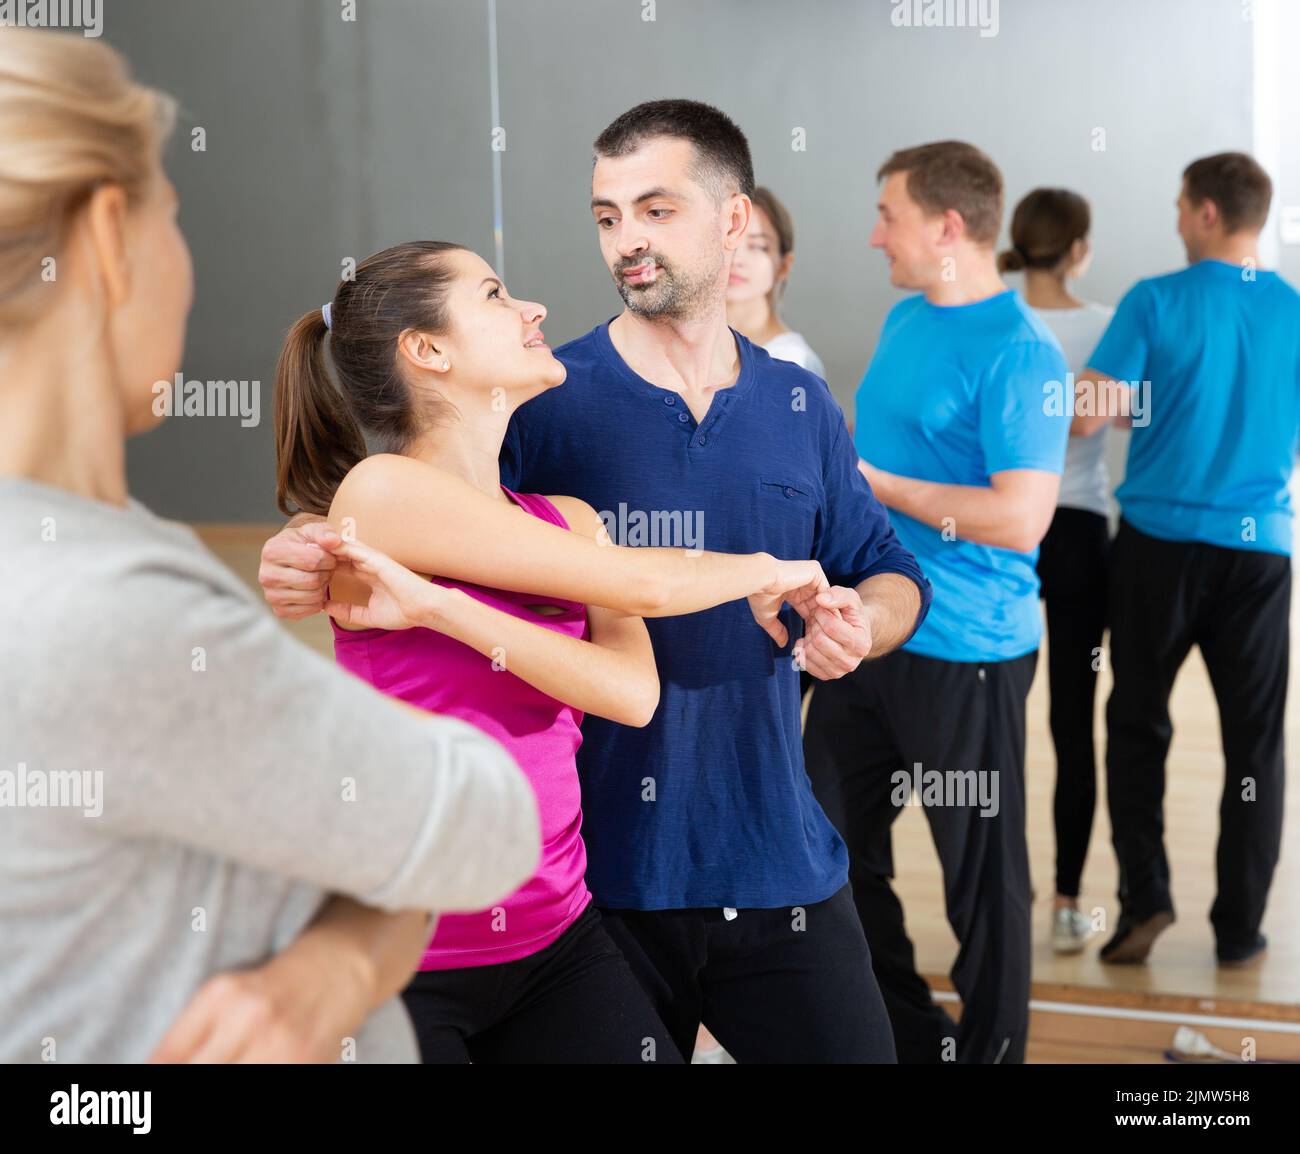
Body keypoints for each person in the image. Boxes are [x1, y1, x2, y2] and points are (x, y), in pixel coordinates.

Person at [260, 99, 932, 1064]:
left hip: (771, 851)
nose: (626, 241)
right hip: (595, 891)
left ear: (733, 220)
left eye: (655, 211)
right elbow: (422, 495)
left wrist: (861, 622)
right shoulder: (545, 401)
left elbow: (888, 570)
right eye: (607, 216)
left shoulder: (799, 403)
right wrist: (308, 544)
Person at [0, 29, 540, 1064]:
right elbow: (482, 819)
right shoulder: (108, 609)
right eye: (173, 216)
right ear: (110, 237)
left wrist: (337, 957)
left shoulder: (115, 561)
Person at [805, 142, 1071, 1063]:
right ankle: (917, 1037)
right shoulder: (907, 321)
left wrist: (877, 482)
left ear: (948, 228)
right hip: (872, 631)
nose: (876, 235)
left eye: (890, 215)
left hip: (972, 650)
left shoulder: (1022, 352)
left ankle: (994, 1054)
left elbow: (1020, 516)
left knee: (983, 882)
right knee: (827, 845)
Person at [1073, 152, 1300, 967]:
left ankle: (1146, 899)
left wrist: (1151, 402)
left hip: (1159, 550)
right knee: (1257, 748)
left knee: (1137, 726)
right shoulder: (1294, 312)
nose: (1175, 219)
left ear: (1206, 212)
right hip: (1260, 552)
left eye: (1180, 206)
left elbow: (1086, 418)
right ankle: (1239, 930)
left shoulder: (1156, 299)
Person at [999, 188, 1114, 954]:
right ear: (1078, 248)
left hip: (1004, 528)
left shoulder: (997, 321)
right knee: (1073, 723)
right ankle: (1069, 903)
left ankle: (1005, 897)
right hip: (1076, 531)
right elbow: (1118, 413)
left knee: (998, 724)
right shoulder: (1105, 327)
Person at [726, 185, 827, 378]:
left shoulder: (793, 361)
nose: (737, 259)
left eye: (758, 246)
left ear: (784, 265)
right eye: (729, 240)